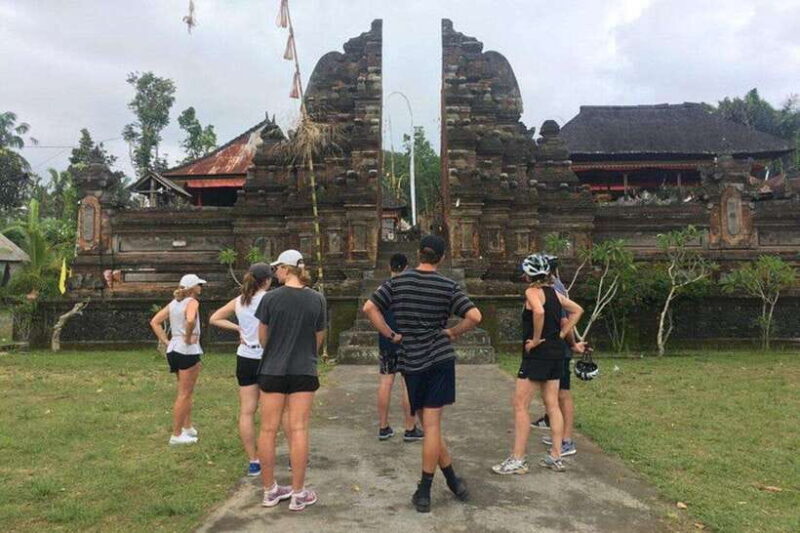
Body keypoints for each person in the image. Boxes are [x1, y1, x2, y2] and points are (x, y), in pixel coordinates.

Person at [363, 235, 482, 513]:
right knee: (432, 425)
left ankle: (425, 490)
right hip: (440, 358)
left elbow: (370, 308)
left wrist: (391, 334)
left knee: (430, 425)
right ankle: (452, 481)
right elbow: (475, 316)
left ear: (419, 254)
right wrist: (452, 332)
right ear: (441, 258)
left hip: (412, 359)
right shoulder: (447, 285)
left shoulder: (397, 282)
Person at [492, 253, 584, 475]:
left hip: (538, 355)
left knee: (520, 404)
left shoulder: (532, 292)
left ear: (527, 274)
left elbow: (540, 311)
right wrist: (561, 333)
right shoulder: (555, 293)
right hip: (555, 354)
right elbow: (577, 310)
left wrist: (534, 338)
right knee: (552, 404)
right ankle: (555, 455)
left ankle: (518, 458)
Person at [255, 250, 326, 512]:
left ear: (286, 269)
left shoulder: (270, 299)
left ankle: (269, 490)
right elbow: (319, 337)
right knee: (298, 429)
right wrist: (306, 354)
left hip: (272, 369)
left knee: (267, 430)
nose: (275, 274)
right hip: (304, 370)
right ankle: (298, 492)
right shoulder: (317, 299)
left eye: (277, 269)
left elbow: (263, 336)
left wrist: (274, 351)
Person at [210, 263, 273, 476]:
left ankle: (253, 460)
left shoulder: (240, 301)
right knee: (273, 410)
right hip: (267, 357)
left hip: (245, 355)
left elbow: (215, 318)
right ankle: (277, 455)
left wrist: (238, 327)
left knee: (247, 410)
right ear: (266, 280)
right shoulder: (269, 299)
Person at [149, 274, 206, 446]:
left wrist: (166, 341)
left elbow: (155, 321)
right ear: (191, 288)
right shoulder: (192, 302)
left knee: (185, 391)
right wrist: (188, 337)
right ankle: (176, 433)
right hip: (187, 350)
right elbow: (190, 320)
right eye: (198, 285)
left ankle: (187, 426)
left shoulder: (174, 303)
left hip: (174, 349)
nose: (201, 287)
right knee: (184, 393)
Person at [376, 253, 423, 442]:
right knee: (407, 384)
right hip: (406, 340)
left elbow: (373, 311)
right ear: (406, 268)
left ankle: (383, 426)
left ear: (390, 267)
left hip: (387, 338)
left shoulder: (383, 288)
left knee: (386, 382)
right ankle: (410, 427)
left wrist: (388, 332)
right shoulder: (410, 289)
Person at [537, 254, 579, 457]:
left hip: (559, 349)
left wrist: (567, 340)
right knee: (553, 395)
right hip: (554, 348)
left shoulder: (554, 289)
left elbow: (565, 320)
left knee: (562, 394)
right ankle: (560, 435)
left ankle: (567, 440)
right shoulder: (552, 286)